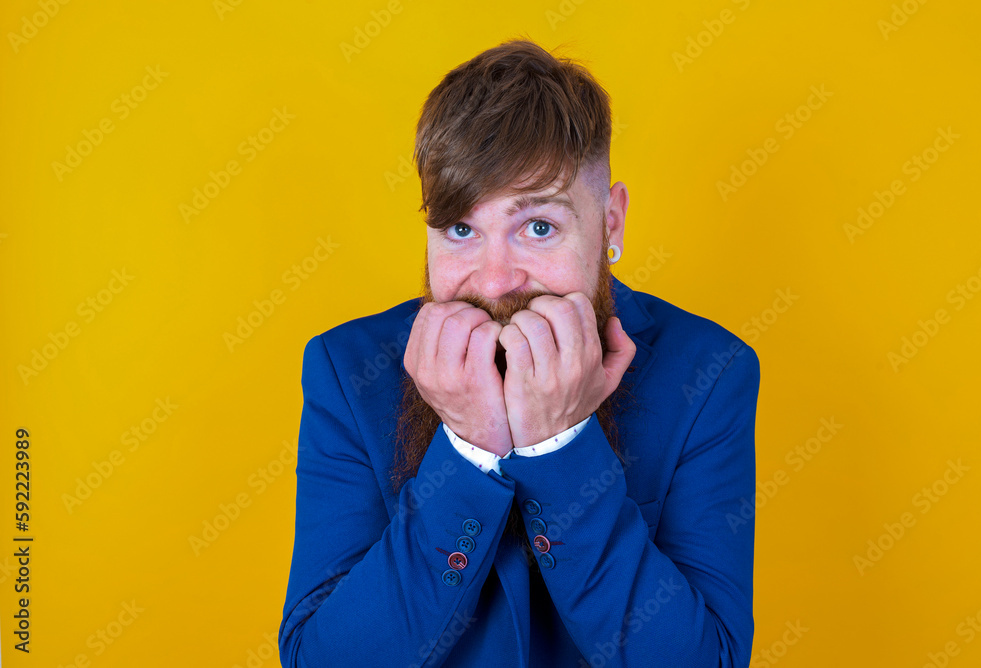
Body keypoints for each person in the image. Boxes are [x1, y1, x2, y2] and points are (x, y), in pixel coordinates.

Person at [279, 38, 760, 668]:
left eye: (539, 228)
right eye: (460, 230)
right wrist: (467, 449)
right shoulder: (346, 371)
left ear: (610, 225)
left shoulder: (709, 373)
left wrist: (559, 450)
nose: (496, 279)